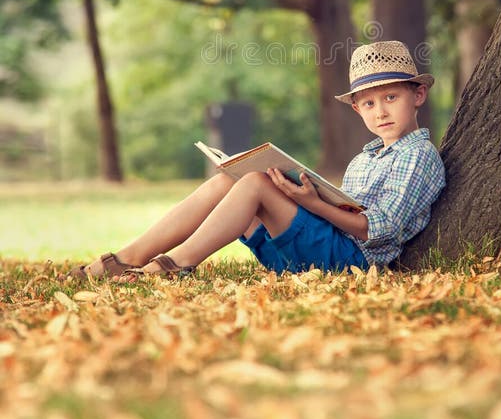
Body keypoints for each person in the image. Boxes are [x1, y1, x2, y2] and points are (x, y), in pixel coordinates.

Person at [68, 40, 445, 280]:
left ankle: (172, 266)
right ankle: (129, 257)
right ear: (358, 109)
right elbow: (346, 208)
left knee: (254, 184)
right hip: (314, 251)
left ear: (418, 95)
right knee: (228, 181)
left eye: (391, 98)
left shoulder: (417, 156)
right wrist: (304, 196)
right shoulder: (366, 158)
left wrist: (310, 202)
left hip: (352, 261)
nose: (380, 111)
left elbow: (375, 230)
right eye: (368, 103)